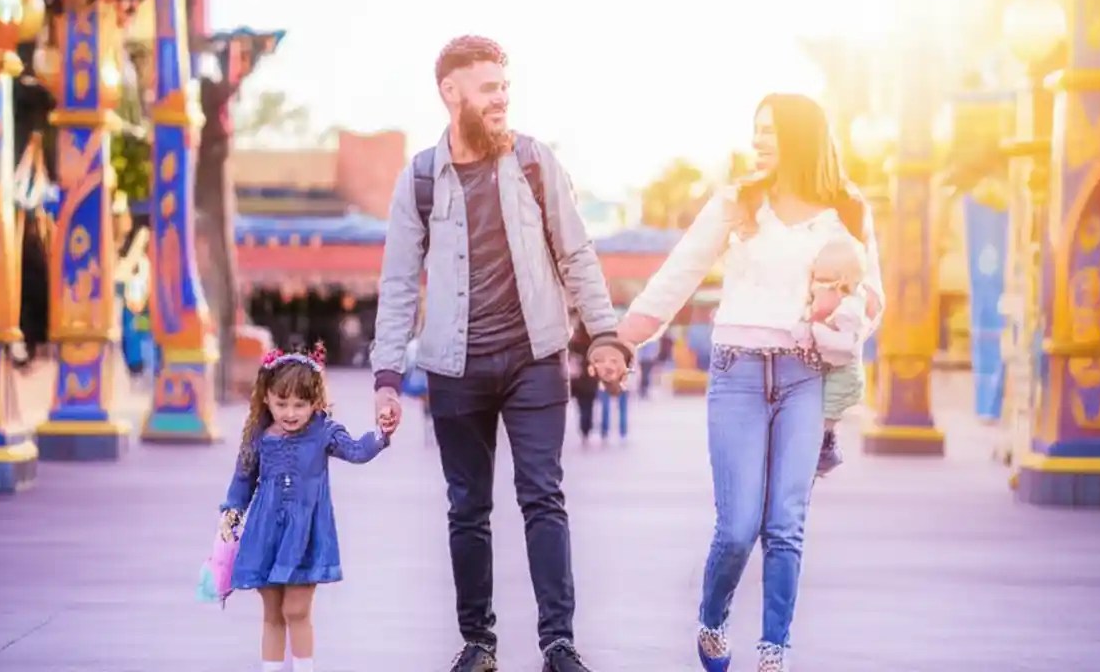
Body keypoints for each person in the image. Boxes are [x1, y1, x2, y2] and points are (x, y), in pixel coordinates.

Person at [370, 35, 630, 672]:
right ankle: (478, 643)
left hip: (534, 358)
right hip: (454, 367)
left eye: (505, 88)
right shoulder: (422, 179)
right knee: (468, 507)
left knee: (543, 494)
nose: (501, 100)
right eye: (489, 88)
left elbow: (576, 253)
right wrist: (384, 373)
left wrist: (604, 334)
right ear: (451, 92)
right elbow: (400, 279)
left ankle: (558, 643)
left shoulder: (536, 163)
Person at [618, 93, 882, 672]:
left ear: (801, 135)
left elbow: (872, 298)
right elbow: (680, 272)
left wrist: (838, 317)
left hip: (805, 376)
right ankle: (713, 620)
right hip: (737, 369)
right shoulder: (739, 202)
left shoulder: (849, 212)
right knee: (738, 528)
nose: (758, 140)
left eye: (769, 129)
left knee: (785, 523)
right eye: (756, 129)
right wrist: (623, 337)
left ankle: (773, 651)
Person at [218, 342, 391, 672]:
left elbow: (356, 451)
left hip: (305, 534)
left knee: (296, 609)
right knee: (271, 612)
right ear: (266, 397)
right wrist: (232, 511)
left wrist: (380, 436)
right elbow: (243, 478)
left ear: (316, 402)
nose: (290, 412)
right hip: (265, 532)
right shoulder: (258, 435)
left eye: (301, 404)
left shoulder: (323, 432)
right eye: (282, 403)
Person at [797, 235, 870, 476]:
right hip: (833, 369)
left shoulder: (849, 309)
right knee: (819, 414)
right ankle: (823, 448)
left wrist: (816, 331)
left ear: (842, 282)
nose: (816, 285)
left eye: (822, 280)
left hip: (844, 375)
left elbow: (847, 346)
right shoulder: (837, 303)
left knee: (825, 416)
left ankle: (826, 453)